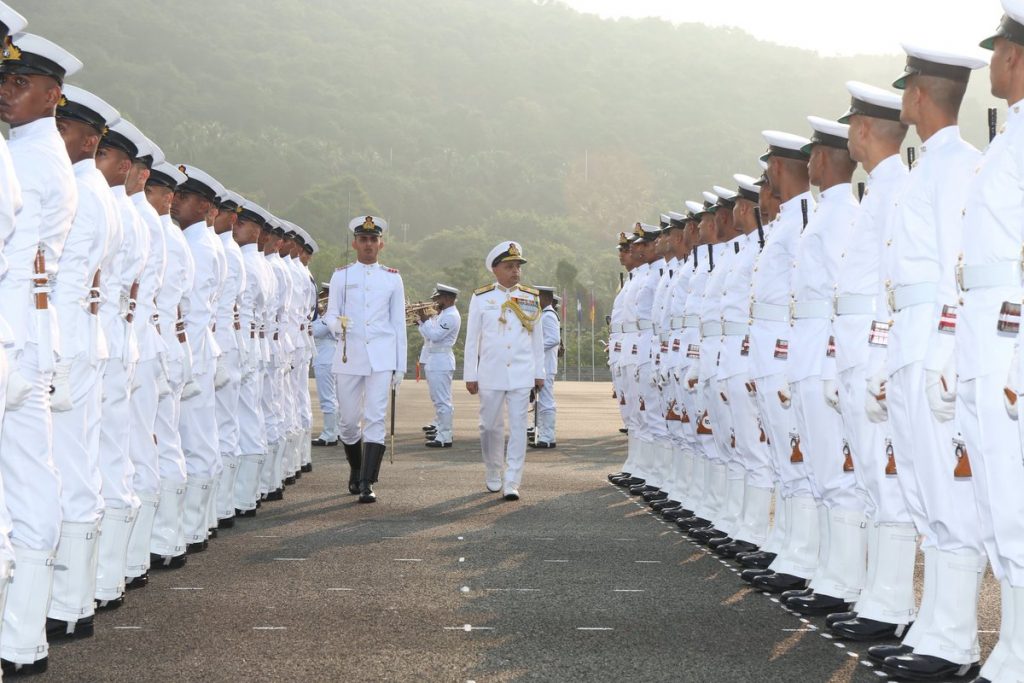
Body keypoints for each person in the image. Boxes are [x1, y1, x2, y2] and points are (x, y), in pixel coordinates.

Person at [868, 44, 988, 681]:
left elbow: (954, 271)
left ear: (919, 95)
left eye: (908, 87)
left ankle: (955, 643)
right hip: (907, 339)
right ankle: (934, 631)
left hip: (932, 343)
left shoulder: (957, 167)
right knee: (922, 494)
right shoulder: (924, 169)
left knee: (948, 496)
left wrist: (947, 350)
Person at [0, 31, 82, 676]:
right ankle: (23, 641)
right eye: (3, 80)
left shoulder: (24, 157)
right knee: (32, 485)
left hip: (8, 338)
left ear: (53, 95)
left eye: (19, 83)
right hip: (30, 339)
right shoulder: (46, 153)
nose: (6, 92)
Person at [828, 81, 916, 643]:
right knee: (871, 479)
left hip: (878, 347)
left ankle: (892, 604)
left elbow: (892, 290)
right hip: (863, 347)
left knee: (891, 486)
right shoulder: (878, 192)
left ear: (863, 130)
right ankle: (878, 597)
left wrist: (881, 359)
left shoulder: (896, 188)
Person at [46, 83, 119, 642]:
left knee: (68, 469)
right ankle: (77, 598)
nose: (54, 130)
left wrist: (53, 354)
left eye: (62, 124)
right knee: (83, 464)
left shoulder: (82, 191)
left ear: (88, 138)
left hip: (65, 344)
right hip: (83, 340)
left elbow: (64, 282)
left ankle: (70, 604)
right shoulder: (94, 190)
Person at [323, 216, 406, 503]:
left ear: (381, 243)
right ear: (355, 243)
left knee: (375, 417)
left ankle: (368, 481)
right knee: (347, 421)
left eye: (374, 239)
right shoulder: (341, 275)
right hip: (349, 354)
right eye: (363, 239)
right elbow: (330, 313)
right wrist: (337, 325)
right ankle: (356, 468)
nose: (368, 244)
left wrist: (400, 365)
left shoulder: (392, 277)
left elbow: (398, 325)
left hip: (381, 357)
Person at [463, 241, 544, 500]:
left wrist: (539, 371)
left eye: (518, 266)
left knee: (520, 427)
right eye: (509, 266)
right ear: (495, 269)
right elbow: (471, 339)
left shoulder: (530, 297)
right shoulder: (481, 297)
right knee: (489, 427)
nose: (515, 271)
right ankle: (493, 470)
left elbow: (537, 339)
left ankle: (512, 480)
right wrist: (470, 374)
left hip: (521, 372)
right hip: (490, 372)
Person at [416, 284, 461, 448]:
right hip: (436, 359)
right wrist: (422, 322)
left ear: (448, 298)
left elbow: (434, 335)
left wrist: (425, 321)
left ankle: (444, 436)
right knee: (439, 400)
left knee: (442, 401)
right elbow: (430, 335)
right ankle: (442, 432)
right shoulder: (444, 315)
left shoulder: (451, 316)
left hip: (441, 360)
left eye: (440, 298)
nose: (437, 301)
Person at [311, 282, 339, 447]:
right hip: (328, 356)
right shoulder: (328, 316)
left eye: (325, 294)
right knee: (333, 397)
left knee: (327, 398)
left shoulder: (330, 316)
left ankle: (329, 434)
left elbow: (315, 331)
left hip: (326, 357)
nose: (322, 298)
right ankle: (335, 431)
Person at [532, 286, 559, 449]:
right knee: (540, 402)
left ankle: (548, 437)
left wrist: (534, 347)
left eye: (538, 297)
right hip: (541, 365)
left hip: (546, 366)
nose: (536, 301)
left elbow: (554, 339)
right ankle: (543, 434)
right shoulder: (543, 315)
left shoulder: (548, 316)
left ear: (546, 298)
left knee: (546, 401)